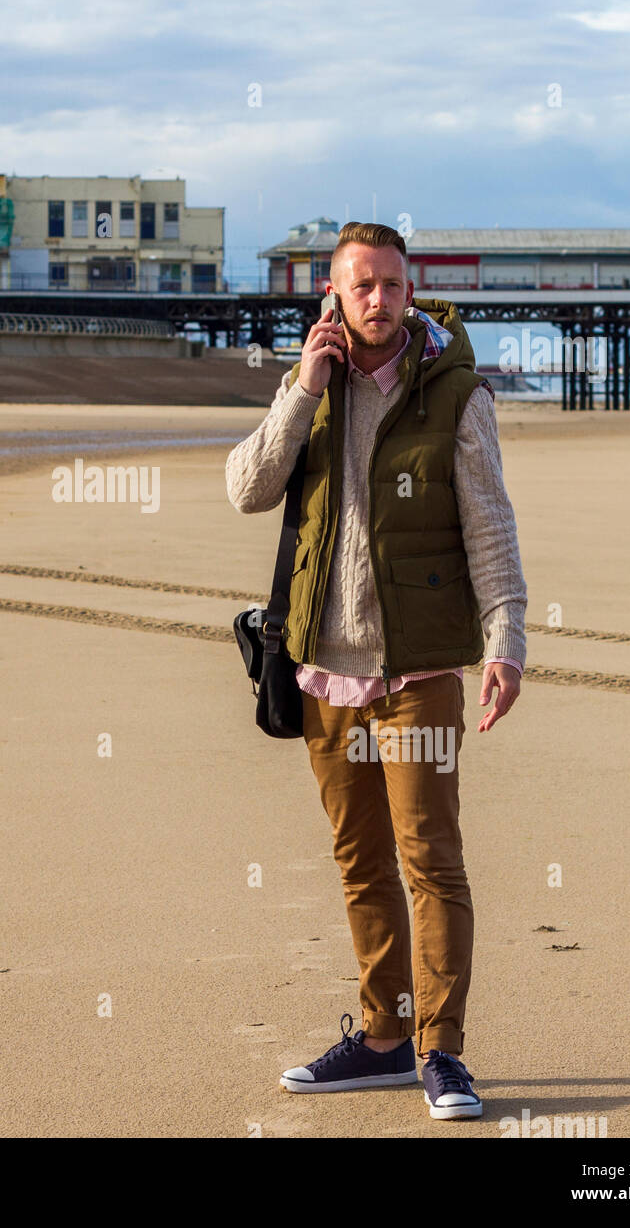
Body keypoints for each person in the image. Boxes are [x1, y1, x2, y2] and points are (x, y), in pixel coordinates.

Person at [225, 222, 526, 1121]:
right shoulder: (307, 387)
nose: (378, 301)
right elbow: (246, 487)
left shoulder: (458, 396)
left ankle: (442, 1052)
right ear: (333, 296)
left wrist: (506, 641)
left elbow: (492, 528)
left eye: (392, 286)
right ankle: (385, 1036)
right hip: (325, 676)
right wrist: (302, 389)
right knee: (361, 864)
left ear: (410, 292)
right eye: (361, 286)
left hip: (420, 674)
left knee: (431, 861)